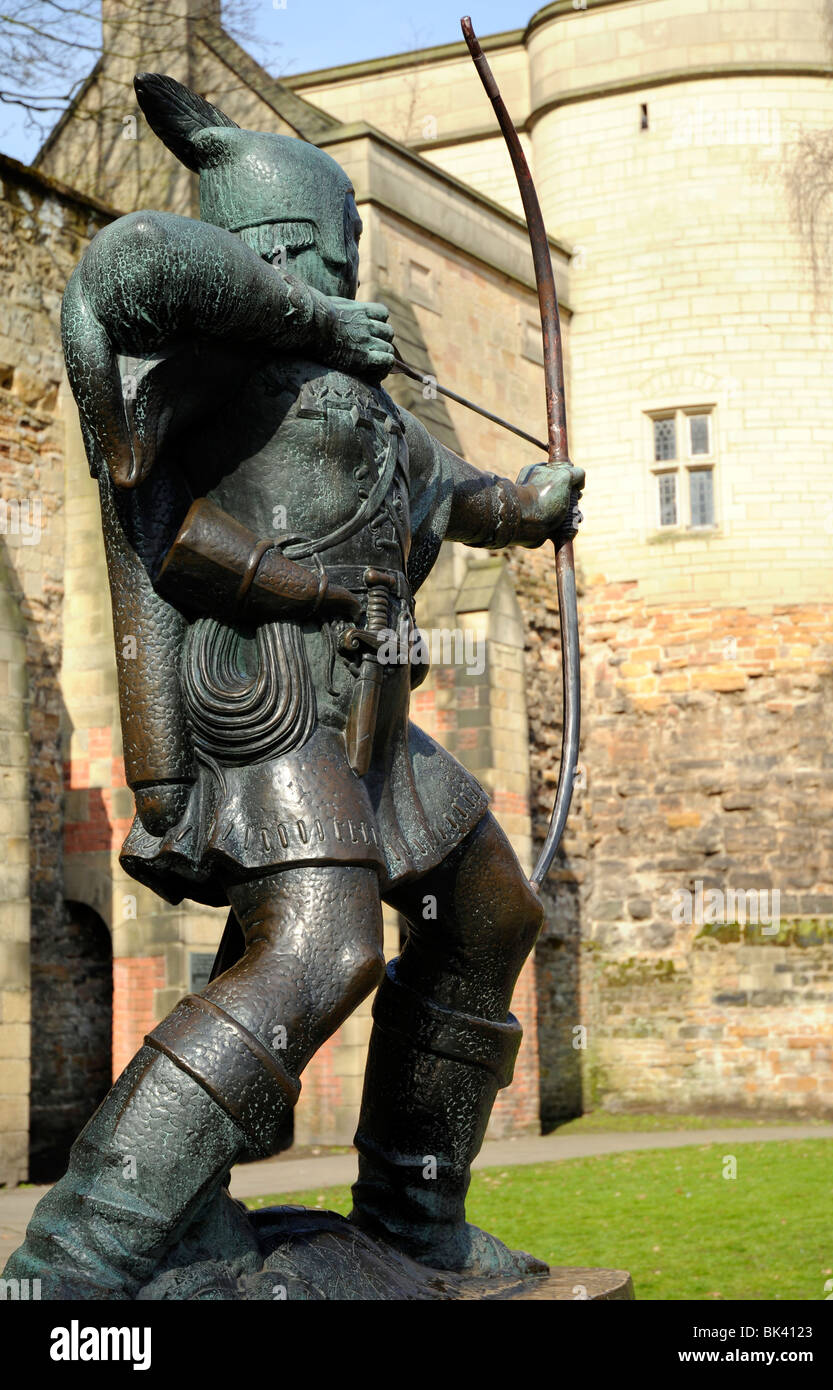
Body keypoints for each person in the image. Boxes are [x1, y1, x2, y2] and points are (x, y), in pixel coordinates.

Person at [5, 74, 583, 1297]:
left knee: (487, 914)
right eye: (323, 251)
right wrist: (313, 580)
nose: (342, 272)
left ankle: (415, 1206)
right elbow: (180, 521)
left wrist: (517, 507)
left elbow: (444, 493)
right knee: (323, 950)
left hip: (365, 711)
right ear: (278, 249)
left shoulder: (358, 397)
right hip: (261, 695)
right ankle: (80, 1251)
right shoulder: (212, 366)